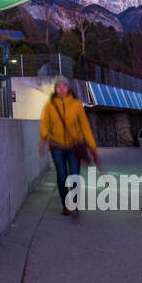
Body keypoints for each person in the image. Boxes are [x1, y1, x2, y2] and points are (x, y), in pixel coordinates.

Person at [39, 76, 100, 216]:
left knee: (74, 176)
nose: (61, 88)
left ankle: (74, 201)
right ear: (55, 88)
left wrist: (92, 146)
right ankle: (65, 205)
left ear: (68, 88)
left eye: (64, 86)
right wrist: (45, 137)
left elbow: (85, 126)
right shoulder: (50, 105)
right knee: (61, 176)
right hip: (56, 146)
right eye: (58, 85)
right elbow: (44, 123)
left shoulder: (77, 105)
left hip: (74, 147)